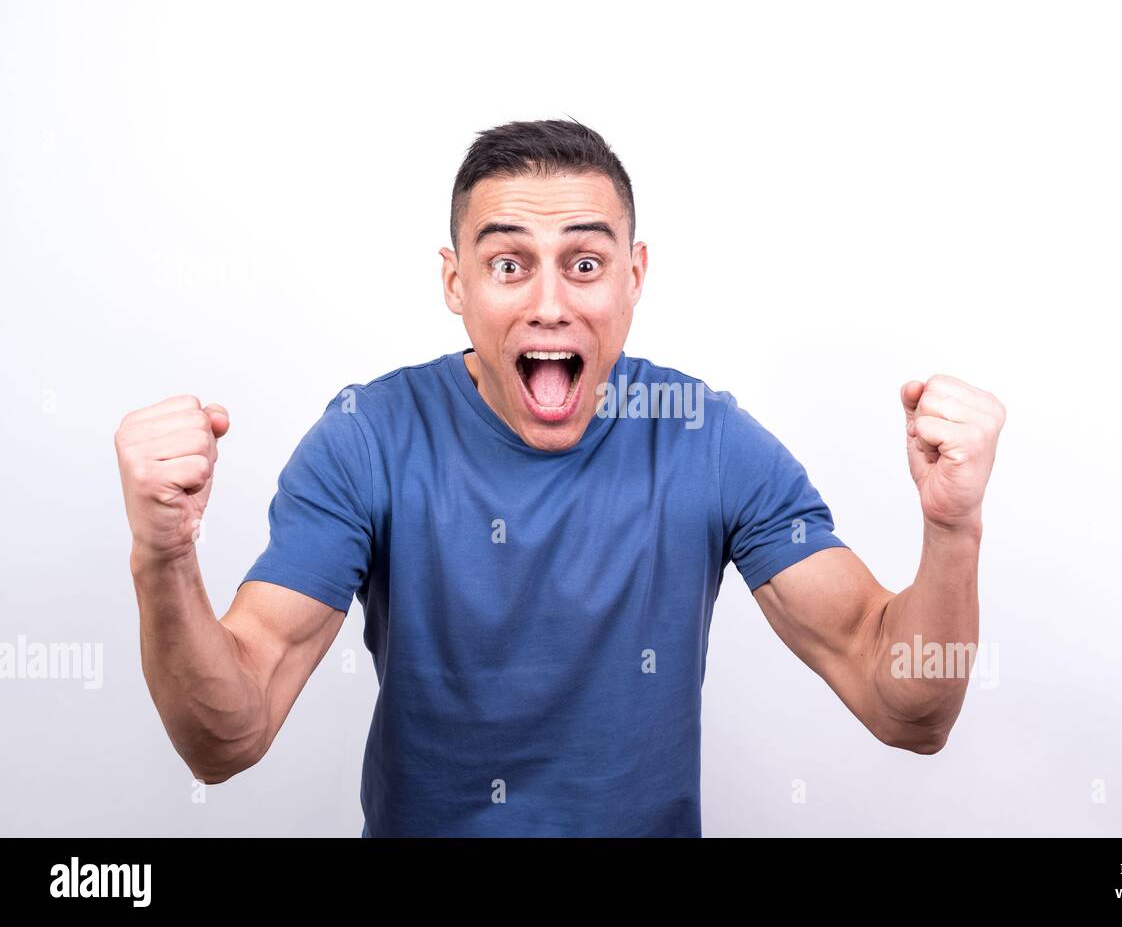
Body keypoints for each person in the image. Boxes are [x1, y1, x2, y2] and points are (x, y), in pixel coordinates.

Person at [114, 118, 1007, 836]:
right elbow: (225, 736)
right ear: (455, 282)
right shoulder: (368, 438)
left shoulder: (705, 437)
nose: (550, 302)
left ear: (633, 275)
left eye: (585, 262)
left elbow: (906, 707)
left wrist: (953, 530)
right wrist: (164, 557)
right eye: (509, 264)